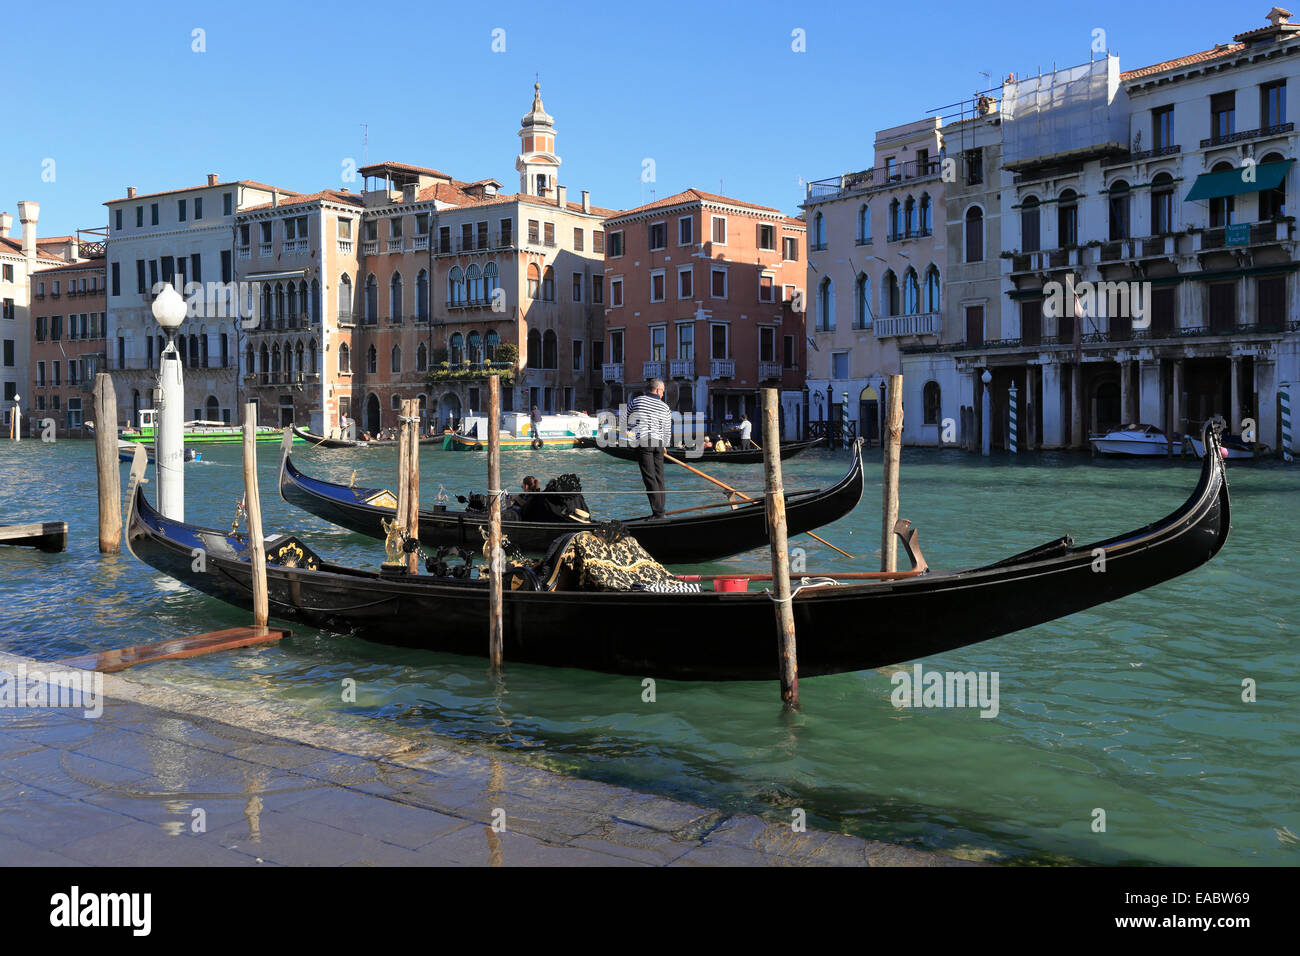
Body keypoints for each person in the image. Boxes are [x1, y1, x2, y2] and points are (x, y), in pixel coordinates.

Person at [628, 380, 671, 518]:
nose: (663, 393)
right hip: (658, 443)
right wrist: (665, 445)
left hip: (644, 442)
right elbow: (667, 429)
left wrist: (631, 432)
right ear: (657, 390)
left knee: (650, 478)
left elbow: (625, 418)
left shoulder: (637, 401)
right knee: (659, 477)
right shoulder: (665, 407)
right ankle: (661, 511)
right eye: (663, 391)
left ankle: (658, 513)